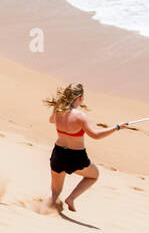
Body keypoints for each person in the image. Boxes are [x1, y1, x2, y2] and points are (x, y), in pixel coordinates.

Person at [45, 82, 123, 211]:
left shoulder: (58, 110)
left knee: (55, 192)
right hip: (76, 157)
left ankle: (41, 212)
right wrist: (117, 127)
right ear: (80, 98)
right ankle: (71, 198)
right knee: (94, 175)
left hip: (58, 153)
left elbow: (51, 120)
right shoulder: (80, 116)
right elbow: (95, 135)